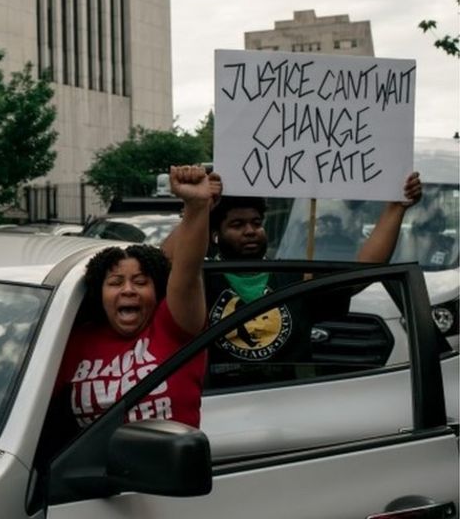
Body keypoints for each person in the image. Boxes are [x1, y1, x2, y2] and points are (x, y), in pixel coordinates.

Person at [201, 172, 423, 367]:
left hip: (294, 399)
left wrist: (396, 208)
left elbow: (361, 273)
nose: (250, 231)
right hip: (224, 401)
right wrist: (198, 207)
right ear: (215, 234)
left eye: (256, 223)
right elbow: (168, 262)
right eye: (237, 225)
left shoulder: (295, 277)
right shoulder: (201, 281)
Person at [53, 165, 213, 430]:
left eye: (140, 282)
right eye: (115, 282)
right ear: (98, 292)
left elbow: (186, 270)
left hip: (166, 470)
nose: (128, 290)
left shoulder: (172, 329)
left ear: (156, 290)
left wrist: (196, 208)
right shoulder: (75, 341)